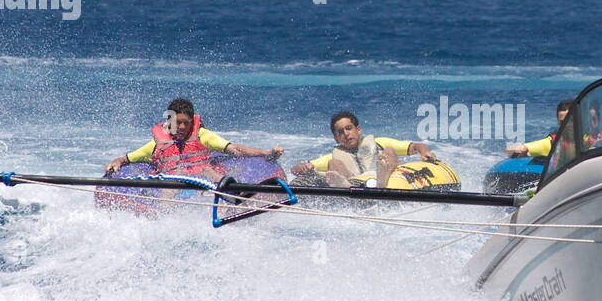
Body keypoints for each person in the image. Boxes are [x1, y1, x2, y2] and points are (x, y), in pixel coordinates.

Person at [104, 98, 284, 182]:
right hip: (173, 179)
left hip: (202, 177)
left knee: (207, 169)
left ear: (192, 122)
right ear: (169, 122)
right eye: (177, 123)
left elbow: (235, 149)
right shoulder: (157, 144)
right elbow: (127, 158)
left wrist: (267, 153)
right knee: (171, 178)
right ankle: (164, 215)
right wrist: (116, 162)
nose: (182, 127)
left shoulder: (203, 136)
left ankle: (231, 194)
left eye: (186, 123)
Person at [291, 110, 437, 189]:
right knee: (333, 164)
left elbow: (415, 146)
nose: (346, 134)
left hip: (384, 180)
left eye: (349, 128)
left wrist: (424, 152)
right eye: (340, 132)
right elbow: (295, 169)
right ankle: (346, 187)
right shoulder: (335, 155)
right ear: (336, 138)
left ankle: (382, 180)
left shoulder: (379, 143)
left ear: (358, 129)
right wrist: (304, 167)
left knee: (390, 151)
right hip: (355, 185)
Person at [504, 99, 574, 158]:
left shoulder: (584, 138)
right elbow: (509, 150)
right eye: (562, 122)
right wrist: (518, 148)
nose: (566, 125)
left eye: (569, 121)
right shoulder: (552, 143)